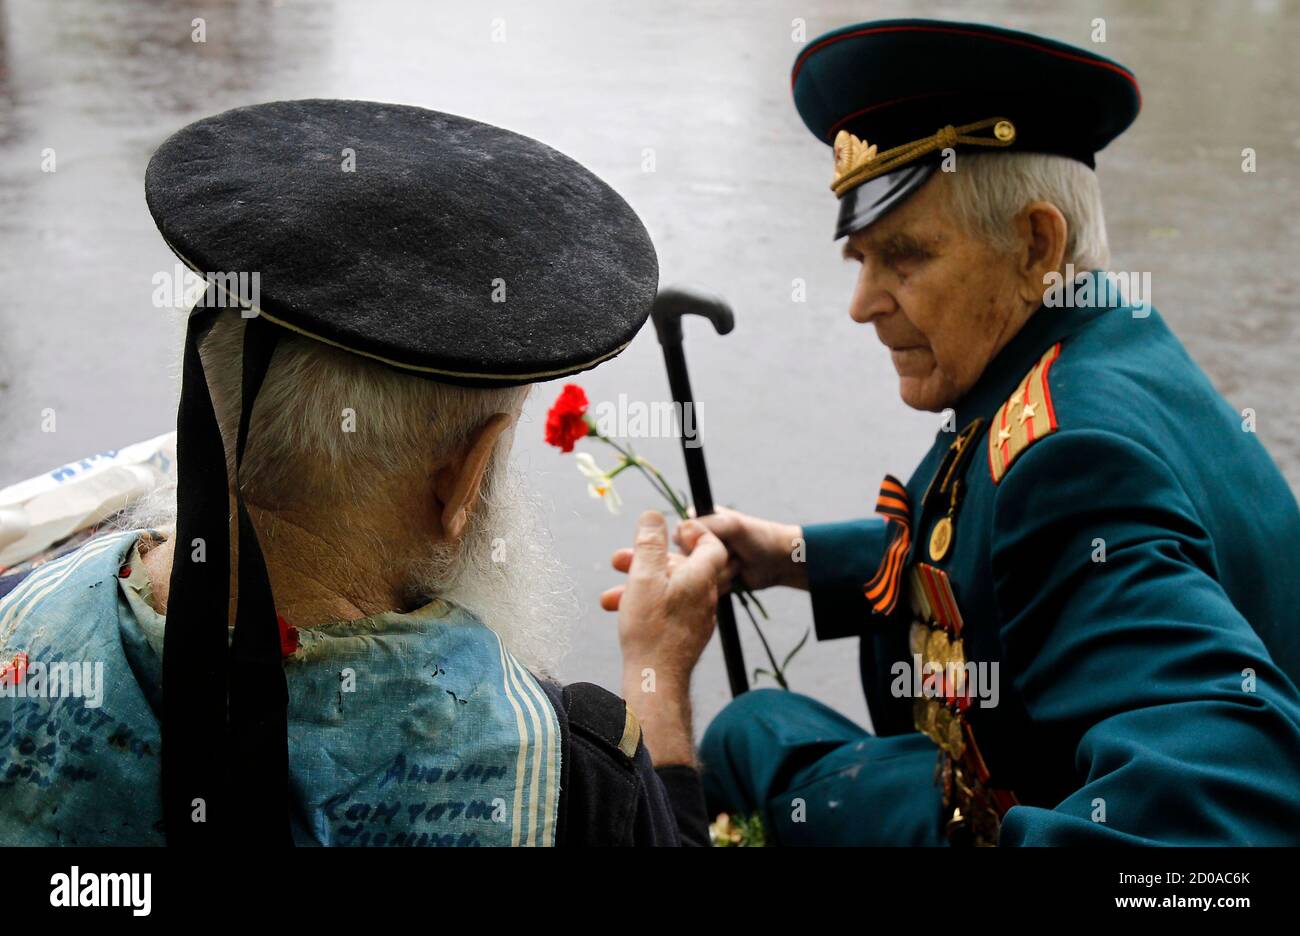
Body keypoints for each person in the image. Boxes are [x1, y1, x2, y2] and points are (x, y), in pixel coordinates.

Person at [606, 19, 1300, 845]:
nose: (861, 304)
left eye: (904, 256)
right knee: (754, 724)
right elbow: (1000, 546)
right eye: (858, 260)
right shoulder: (1102, 345)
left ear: (1036, 243)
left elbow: (1237, 788)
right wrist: (794, 554)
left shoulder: (1073, 462)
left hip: (998, 812)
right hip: (1017, 771)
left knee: (744, 739)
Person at [0, 100, 719, 846]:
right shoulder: (576, 787)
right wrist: (655, 674)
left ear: (203, 404)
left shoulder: (17, 622)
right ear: (462, 482)